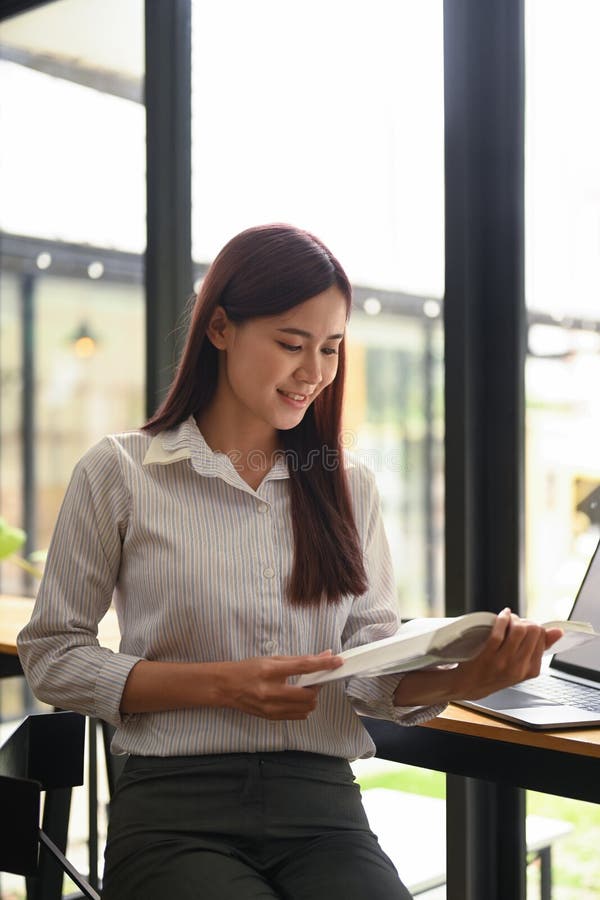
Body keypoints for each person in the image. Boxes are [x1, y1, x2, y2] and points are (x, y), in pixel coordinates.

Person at [17, 223, 562, 900]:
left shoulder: (346, 483)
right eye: (290, 343)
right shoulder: (120, 472)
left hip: (323, 809)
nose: (314, 372)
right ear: (220, 328)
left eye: (331, 348)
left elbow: (367, 670)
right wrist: (220, 685)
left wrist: (465, 677)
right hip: (172, 808)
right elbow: (54, 655)